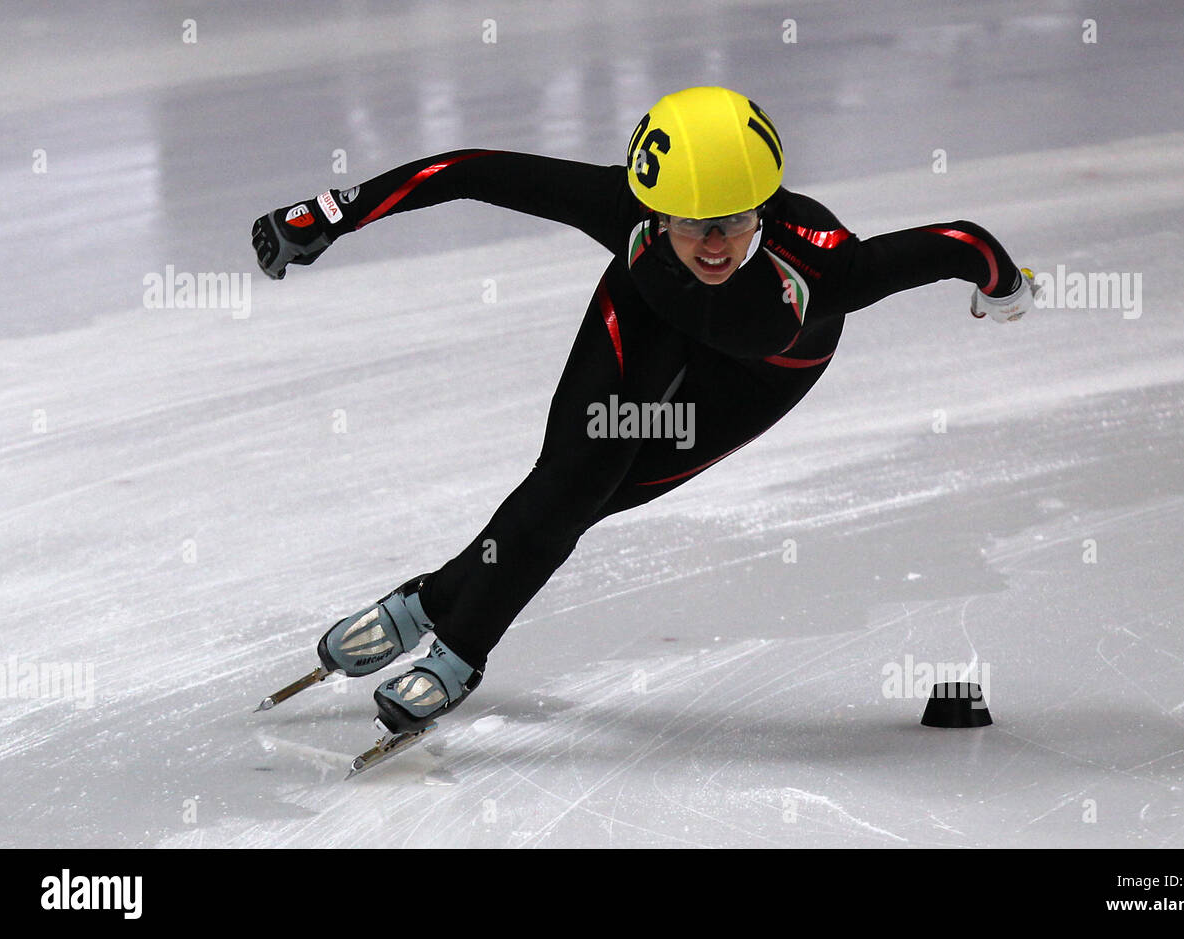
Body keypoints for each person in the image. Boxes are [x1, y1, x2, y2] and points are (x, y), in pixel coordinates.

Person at [251, 86, 1037, 735]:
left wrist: (1006, 288)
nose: (716, 243)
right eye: (693, 222)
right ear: (656, 210)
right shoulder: (623, 207)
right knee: (570, 479)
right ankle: (460, 644)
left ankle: (432, 601)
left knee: (581, 502)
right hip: (649, 319)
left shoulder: (825, 264)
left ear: (763, 207)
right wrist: (332, 211)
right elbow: (471, 169)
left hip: (759, 373)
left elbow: (960, 244)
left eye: (734, 219)